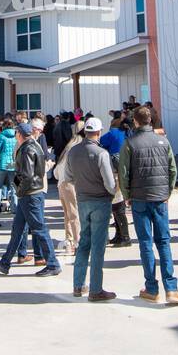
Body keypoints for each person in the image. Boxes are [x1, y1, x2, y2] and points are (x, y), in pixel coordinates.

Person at [118, 107, 178, 305]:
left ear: (136, 122)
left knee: (146, 243)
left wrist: (127, 195)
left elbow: (123, 173)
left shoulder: (129, 143)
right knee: (163, 242)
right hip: (159, 198)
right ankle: (171, 288)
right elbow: (173, 169)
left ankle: (151, 287)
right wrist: (167, 192)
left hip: (139, 199)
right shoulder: (164, 141)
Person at [0, 123, 61, 277]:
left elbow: (27, 176)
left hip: (29, 194)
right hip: (31, 193)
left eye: (16, 133)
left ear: (19, 134)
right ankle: (5, 262)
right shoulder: (34, 146)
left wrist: (17, 188)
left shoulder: (27, 149)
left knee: (39, 229)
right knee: (18, 229)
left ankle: (53, 264)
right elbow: (39, 171)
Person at [60, 117, 117, 300]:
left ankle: (78, 285)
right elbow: (109, 183)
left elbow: (67, 176)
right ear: (99, 132)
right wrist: (114, 192)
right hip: (100, 200)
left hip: (83, 200)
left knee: (84, 242)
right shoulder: (101, 153)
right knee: (98, 246)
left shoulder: (73, 152)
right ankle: (96, 289)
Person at [52, 120, 84, 255]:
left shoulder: (70, 144)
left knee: (68, 214)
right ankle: (78, 243)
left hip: (62, 183)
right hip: (70, 182)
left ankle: (70, 239)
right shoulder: (80, 145)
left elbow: (58, 168)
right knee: (75, 214)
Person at [100, 117, 132, 247]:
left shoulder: (113, 133)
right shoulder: (129, 135)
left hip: (115, 172)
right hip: (126, 172)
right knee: (119, 205)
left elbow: (101, 142)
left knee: (117, 205)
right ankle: (120, 235)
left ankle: (124, 236)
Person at [0, 120, 17, 213]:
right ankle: (14, 208)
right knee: (13, 187)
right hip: (12, 162)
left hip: (3, 162)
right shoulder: (16, 135)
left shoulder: (1, 135)